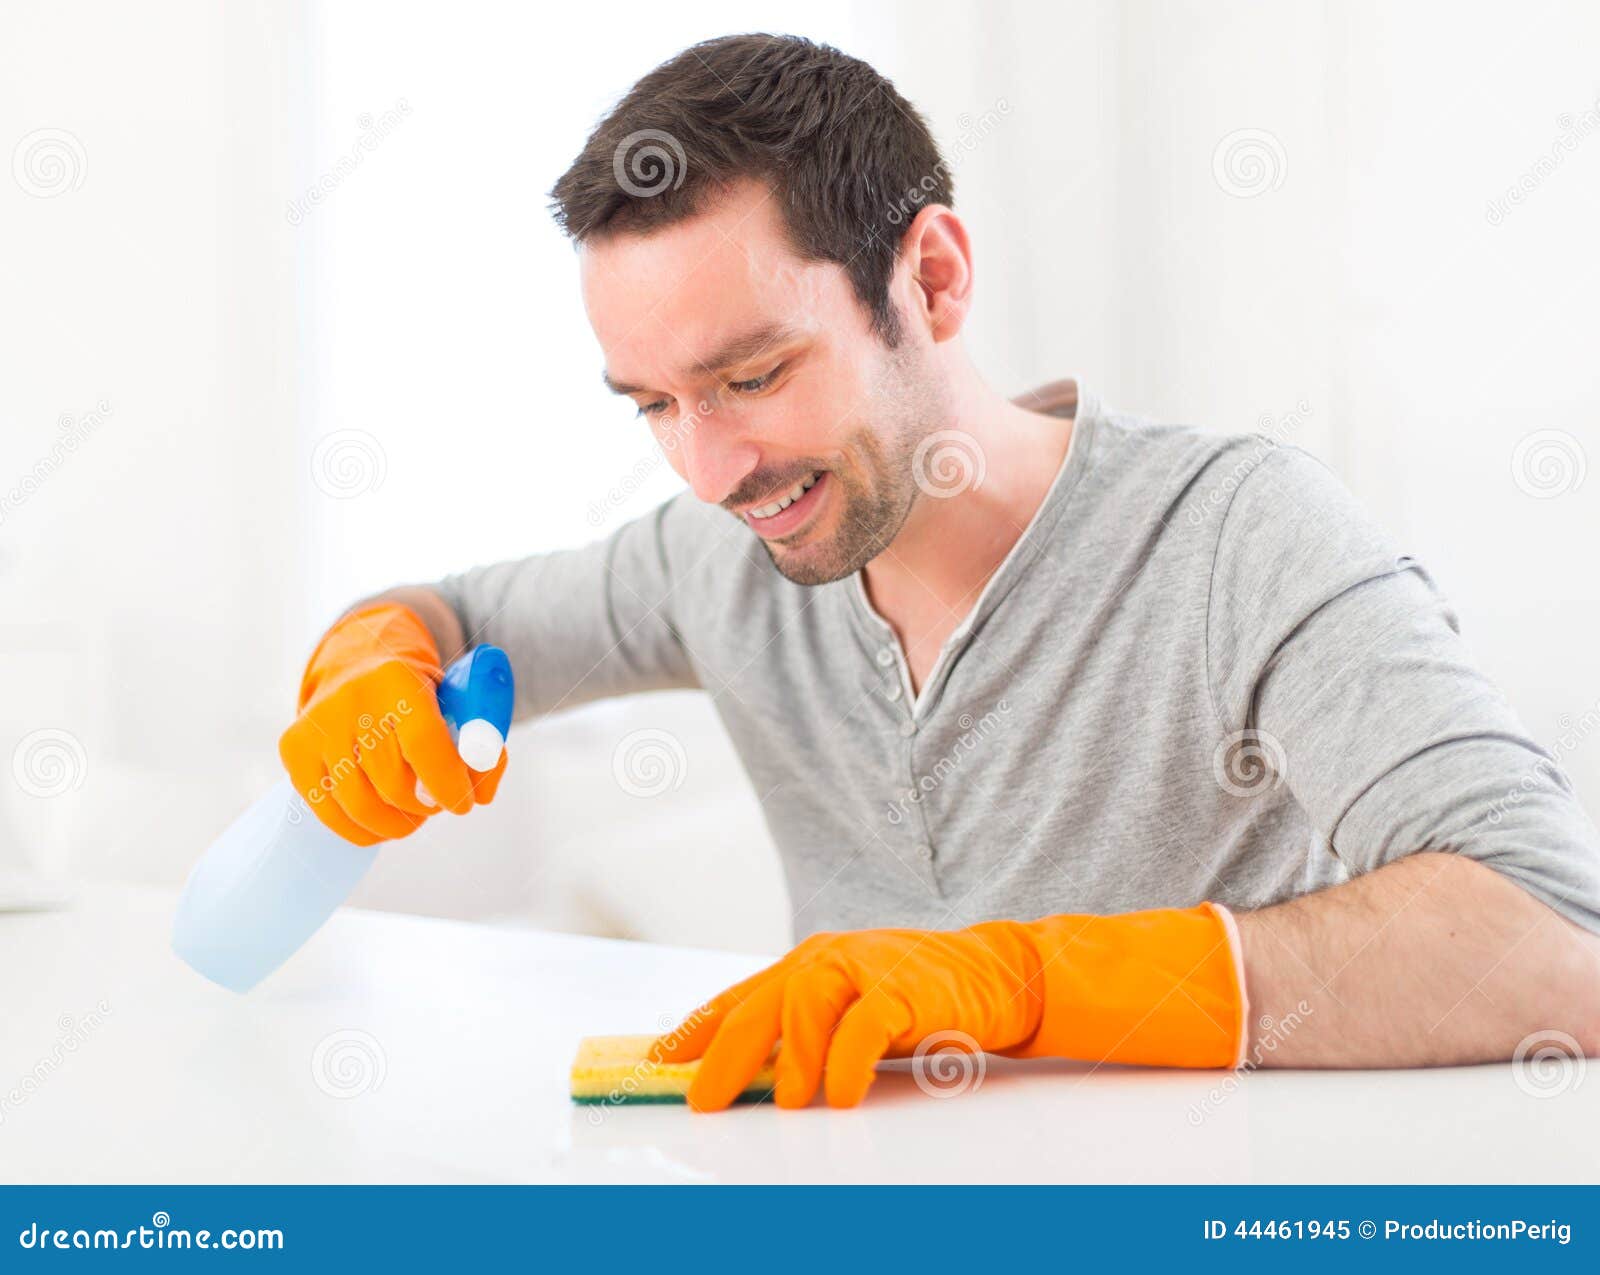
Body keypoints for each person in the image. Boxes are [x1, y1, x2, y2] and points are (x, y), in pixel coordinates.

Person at [279, 33, 1600, 1111]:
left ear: (934, 278)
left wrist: (1011, 983)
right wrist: (369, 662)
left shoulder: (1237, 534)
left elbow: (1552, 939)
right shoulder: (712, 561)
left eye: (752, 377)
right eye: (653, 406)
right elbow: (444, 618)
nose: (710, 468)